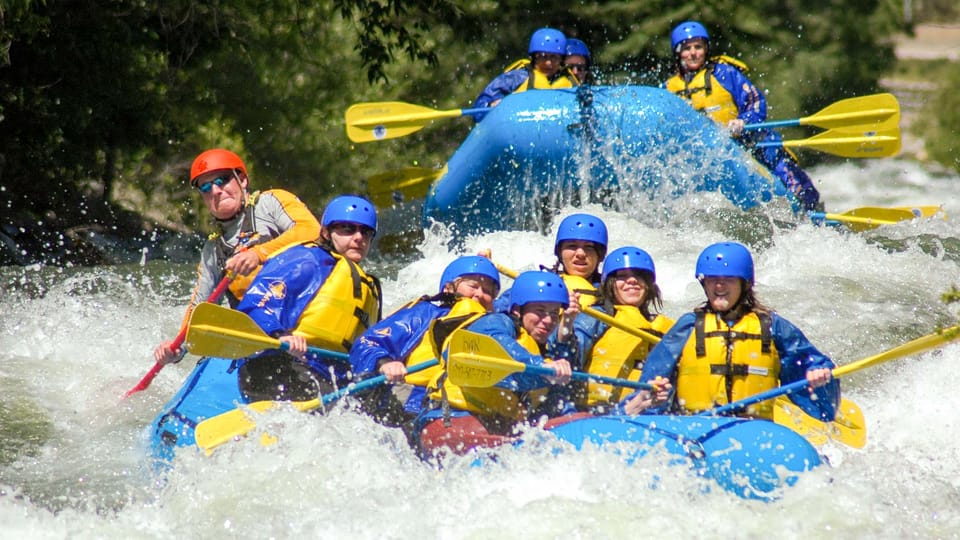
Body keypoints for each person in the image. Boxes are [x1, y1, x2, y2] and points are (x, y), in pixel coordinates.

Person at [621, 242, 839, 421]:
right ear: (704, 284)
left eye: (728, 280)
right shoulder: (688, 326)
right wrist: (644, 399)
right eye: (713, 280)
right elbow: (651, 382)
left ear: (744, 284)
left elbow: (821, 402)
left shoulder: (773, 327)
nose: (719, 287)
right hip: (695, 426)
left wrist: (819, 377)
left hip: (752, 429)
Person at [153, 148, 321, 365]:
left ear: (241, 180)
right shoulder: (213, 250)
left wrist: (259, 254)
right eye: (205, 187)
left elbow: (312, 230)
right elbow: (201, 306)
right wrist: (177, 348)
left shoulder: (270, 203)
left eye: (222, 180)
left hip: (304, 313)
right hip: (260, 335)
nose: (215, 191)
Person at [233, 195, 382, 402]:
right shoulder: (306, 260)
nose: (358, 237)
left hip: (329, 377)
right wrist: (279, 335)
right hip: (277, 367)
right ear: (326, 232)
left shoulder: (367, 285)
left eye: (366, 232)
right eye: (347, 228)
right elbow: (254, 306)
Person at [663, 21, 821, 211]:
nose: (693, 53)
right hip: (711, 154)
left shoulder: (724, 73)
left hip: (750, 141)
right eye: (687, 48)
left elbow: (755, 102)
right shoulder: (668, 89)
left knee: (783, 167)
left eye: (698, 46)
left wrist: (743, 121)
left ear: (706, 49)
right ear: (677, 53)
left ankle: (810, 208)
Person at [417, 271, 577, 456]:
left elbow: (558, 405)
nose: (548, 320)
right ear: (518, 310)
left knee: (581, 420)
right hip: (450, 416)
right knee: (515, 449)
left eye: (553, 313)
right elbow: (499, 345)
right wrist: (540, 366)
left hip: (500, 425)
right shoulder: (495, 321)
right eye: (540, 311)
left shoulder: (546, 352)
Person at [349, 255, 501, 429]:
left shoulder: (494, 327)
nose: (480, 294)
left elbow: (525, 310)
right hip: (411, 401)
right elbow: (367, 343)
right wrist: (385, 363)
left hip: (461, 406)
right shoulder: (426, 312)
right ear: (449, 288)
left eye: (488, 291)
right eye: (473, 286)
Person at [571, 246, 674, 413]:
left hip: (651, 416)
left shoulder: (668, 328)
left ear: (648, 285)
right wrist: (566, 325)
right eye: (622, 276)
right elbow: (569, 357)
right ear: (610, 284)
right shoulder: (596, 318)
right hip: (597, 412)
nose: (632, 280)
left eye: (639, 275)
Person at [492, 212, 608, 312]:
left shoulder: (614, 292)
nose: (580, 254)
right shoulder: (540, 282)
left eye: (589, 247)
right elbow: (495, 308)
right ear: (560, 252)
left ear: (600, 254)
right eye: (572, 246)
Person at [471, 28, 578, 119]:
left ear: (562, 60)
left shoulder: (571, 83)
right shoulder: (517, 77)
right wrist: (490, 105)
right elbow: (479, 108)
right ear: (534, 57)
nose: (548, 63)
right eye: (543, 56)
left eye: (554, 58)